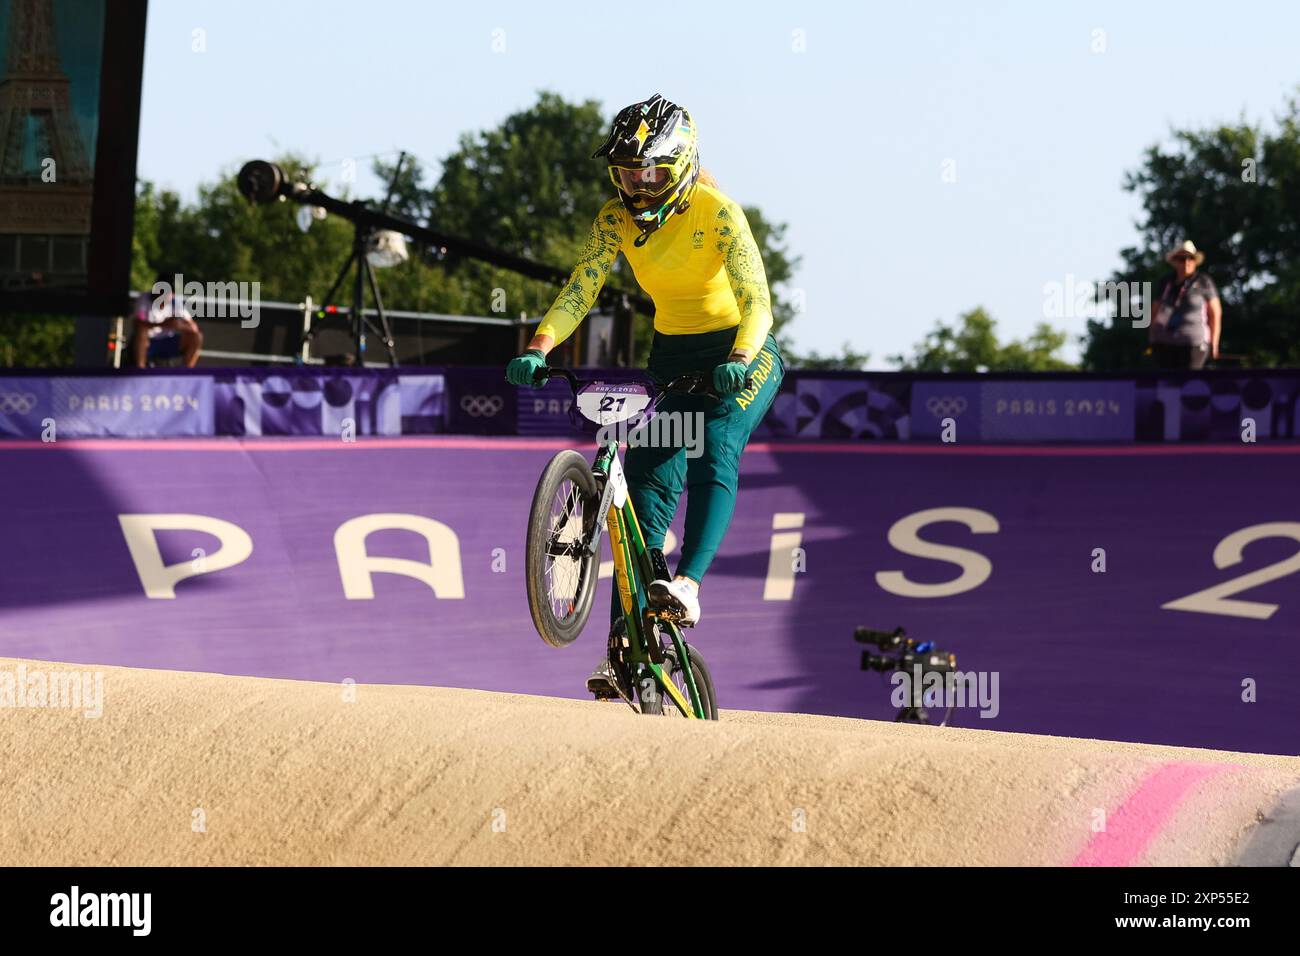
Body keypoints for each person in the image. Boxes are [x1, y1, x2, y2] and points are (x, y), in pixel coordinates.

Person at [504, 93, 784, 693]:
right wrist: (539, 346)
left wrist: (737, 358)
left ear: (680, 165)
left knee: (714, 439)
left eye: (650, 171)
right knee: (647, 482)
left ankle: (688, 585)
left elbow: (759, 301)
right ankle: (623, 649)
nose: (638, 185)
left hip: (742, 354)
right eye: (627, 173)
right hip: (673, 356)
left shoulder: (718, 212)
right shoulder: (615, 218)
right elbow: (581, 289)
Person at [1149, 240, 1221, 369]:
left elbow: (1215, 314)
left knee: (1189, 384)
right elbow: (1154, 311)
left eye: (1191, 258)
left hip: (1194, 343)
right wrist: (1152, 337)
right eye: (1182, 258)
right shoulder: (1166, 282)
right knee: (1167, 385)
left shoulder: (1204, 282)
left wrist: (1214, 344)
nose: (1187, 262)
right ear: (1175, 261)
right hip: (1164, 344)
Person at [131, 273, 203, 368]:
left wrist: (179, 326)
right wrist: (163, 324)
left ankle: (186, 371)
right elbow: (137, 324)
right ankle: (141, 369)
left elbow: (194, 328)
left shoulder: (175, 302)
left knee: (197, 337)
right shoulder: (144, 299)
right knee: (141, 332)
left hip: (168, 342)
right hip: (148, 342)